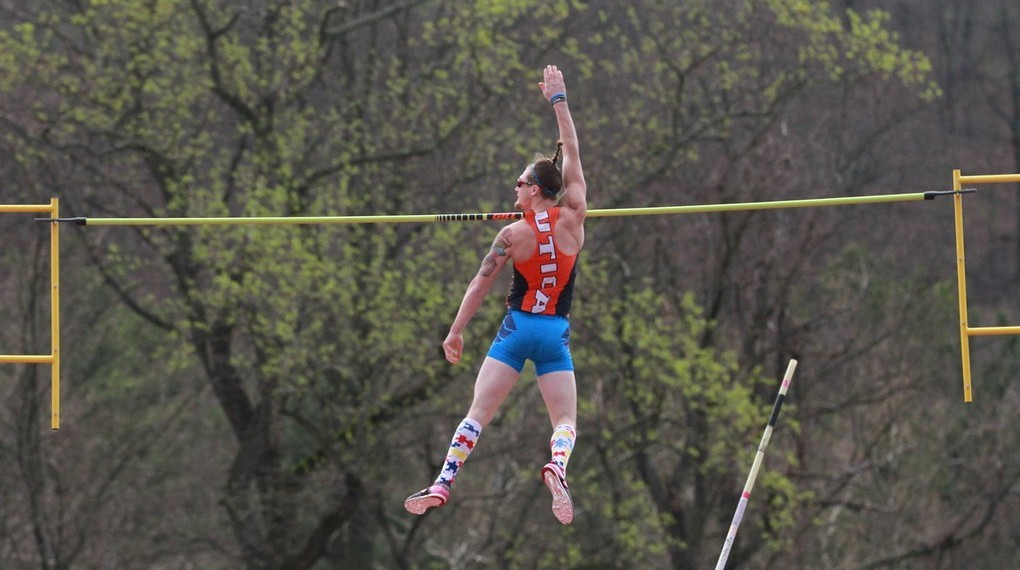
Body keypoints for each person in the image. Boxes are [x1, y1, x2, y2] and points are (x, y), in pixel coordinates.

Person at [403, 65, 586, 525]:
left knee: (478, 413)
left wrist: (455, 332)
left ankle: (444, 481)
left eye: (521, 183)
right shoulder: (574, 216)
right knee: (565, 422)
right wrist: (559, 100)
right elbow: (574, 153)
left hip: (515, 330)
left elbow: (480, 284)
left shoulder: (510, 235)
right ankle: (557, 467)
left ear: (537, 189)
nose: (515, 188)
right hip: (553, 334)